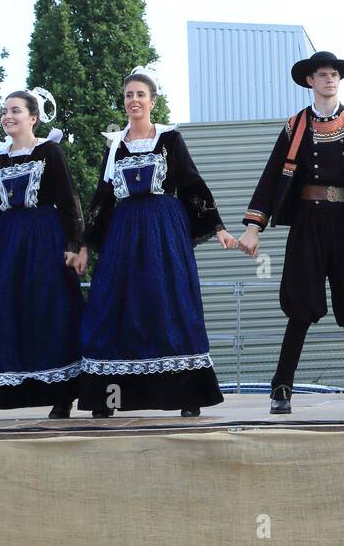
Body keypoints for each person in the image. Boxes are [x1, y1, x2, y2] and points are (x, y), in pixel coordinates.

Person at [237, 51, 344, 415]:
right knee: (300, 307)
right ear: (310, 81)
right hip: (307, 225)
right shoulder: (294, 126)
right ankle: (281, 388)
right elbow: (271, 174)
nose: (330, 79)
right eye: (322, 74)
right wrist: (252, 227)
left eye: (334, 74)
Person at [80, 68, 236, 417]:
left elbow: (193, 184)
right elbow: (103, 198)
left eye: (140, 95)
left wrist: (218, 227)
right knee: (116, 303)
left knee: (170, 301)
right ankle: (109, 398)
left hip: (164, 231)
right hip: (124, 231)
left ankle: (186, 396)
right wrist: (86, 245)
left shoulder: (170, 140)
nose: (133, 101)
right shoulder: (115, 145)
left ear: (152, 100)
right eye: (128, 96)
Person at [0, 89, 87, 420]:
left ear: (33, 117)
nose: (8, 116)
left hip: (44, 241)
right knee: (0, 315)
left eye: (16, 110)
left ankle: (61, 397)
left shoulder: (49, 152)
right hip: (7, 246)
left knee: (47, 313)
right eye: (4, 111)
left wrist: (74, 245)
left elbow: (69, 201)